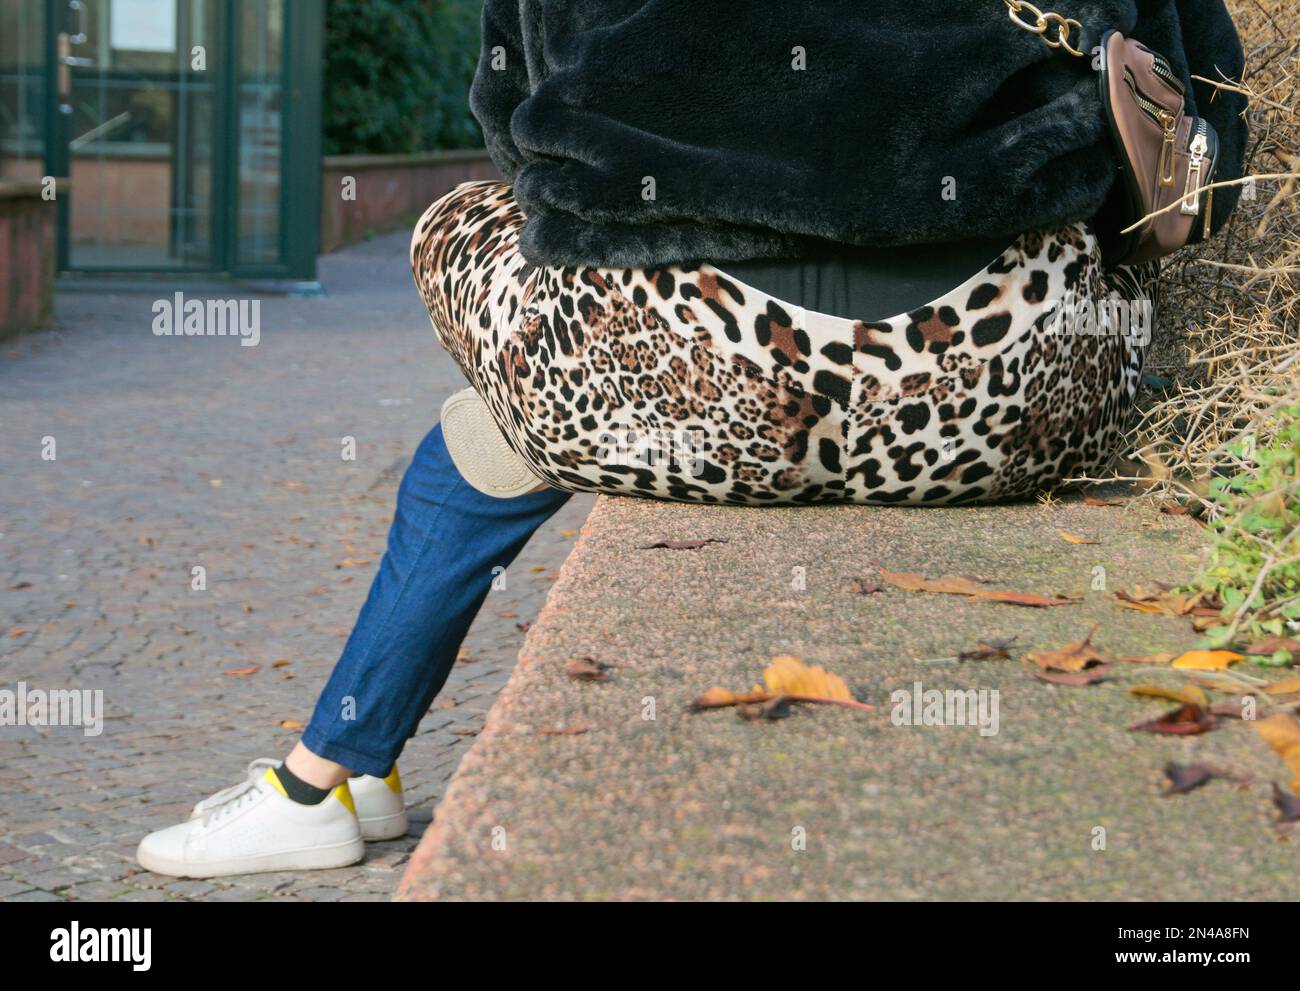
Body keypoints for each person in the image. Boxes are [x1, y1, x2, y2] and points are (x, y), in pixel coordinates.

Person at [137, 0, 1247, 877]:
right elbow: (1203, 128)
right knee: (512, 412)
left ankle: (323, 780)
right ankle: (332, 776)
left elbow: (516, 131)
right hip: (1004, 392)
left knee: (476, 300)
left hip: (682, 373)